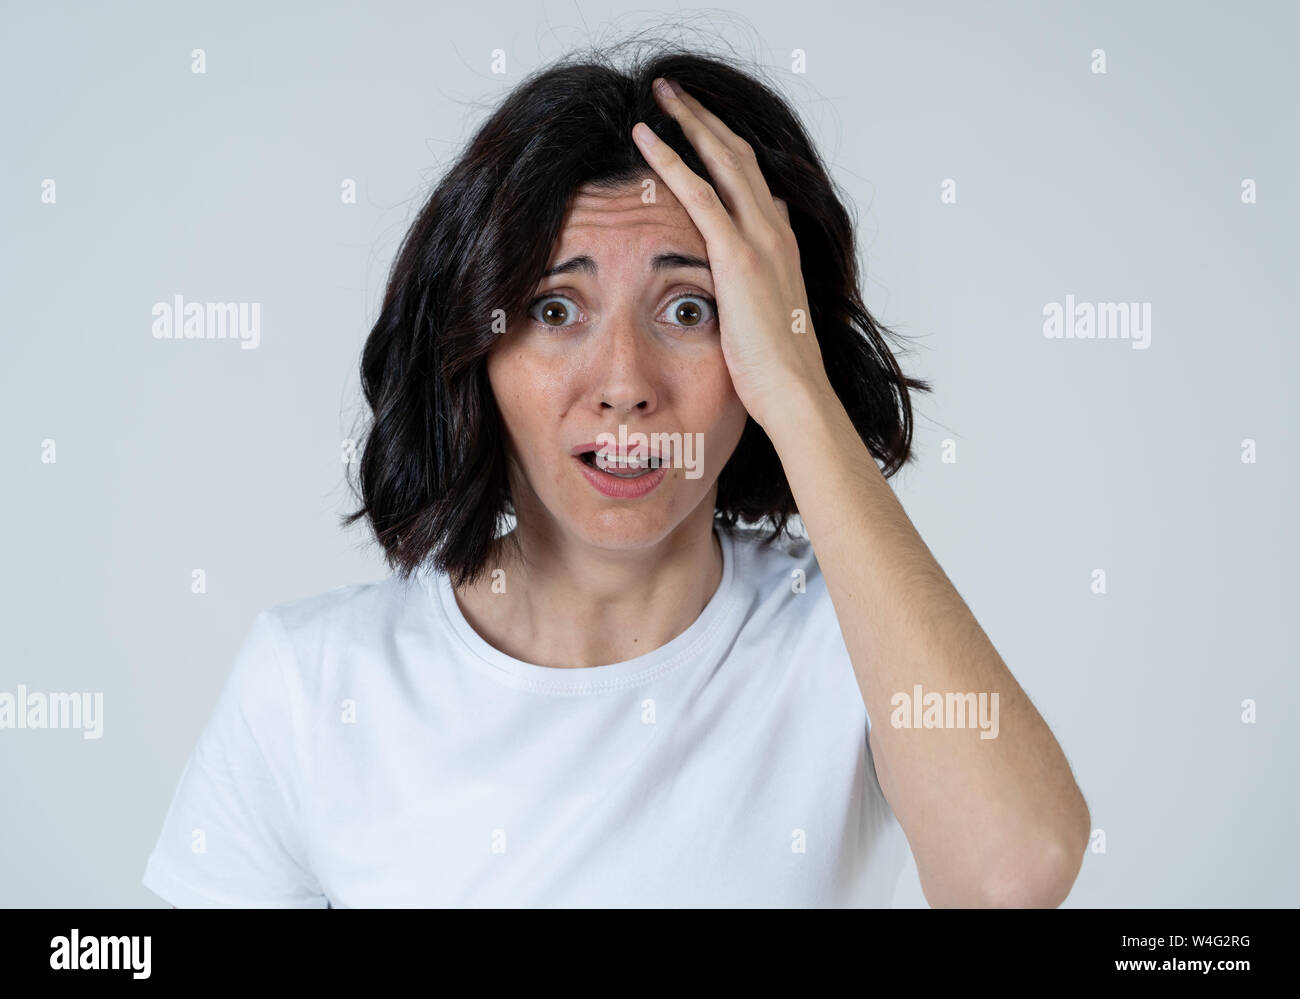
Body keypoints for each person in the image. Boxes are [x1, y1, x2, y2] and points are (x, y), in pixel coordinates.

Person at [142, 45, 1090, 908]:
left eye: (691, 309)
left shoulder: (851, 645)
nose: (626, 386)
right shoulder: (311, 682)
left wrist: (800, 392)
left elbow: (1015, 871)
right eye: (556, 308)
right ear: (476, 345)